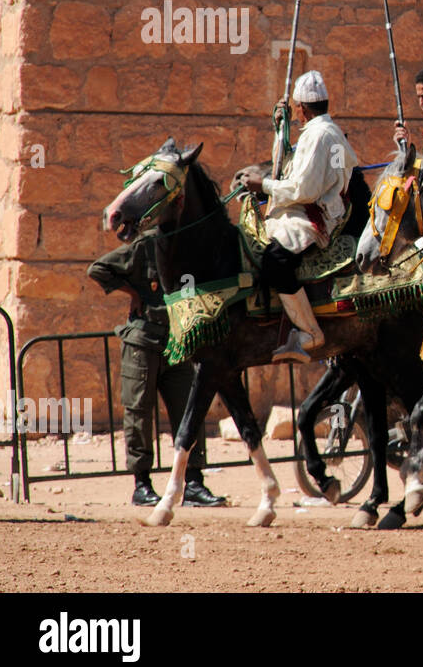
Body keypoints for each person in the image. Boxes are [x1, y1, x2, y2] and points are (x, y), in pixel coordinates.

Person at [88, 235, 227, 508]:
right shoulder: (146, 245)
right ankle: (142, 485)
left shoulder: (191, 247)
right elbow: (98, 269)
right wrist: (133, 293)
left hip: (176, 342)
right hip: (143, 341)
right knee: (139, 412)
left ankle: (194, 483)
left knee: (189, 411)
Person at [235, 70, 359, 364]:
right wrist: (281, 129)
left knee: (275, 262)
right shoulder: (325, 132)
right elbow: (288, 165)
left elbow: (303, 188)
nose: (296, 114)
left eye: (296, 109)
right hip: (306, 207)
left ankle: (309, 332)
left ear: (302, 108)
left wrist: (261, 185)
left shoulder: (319, 136)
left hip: (313, 214)